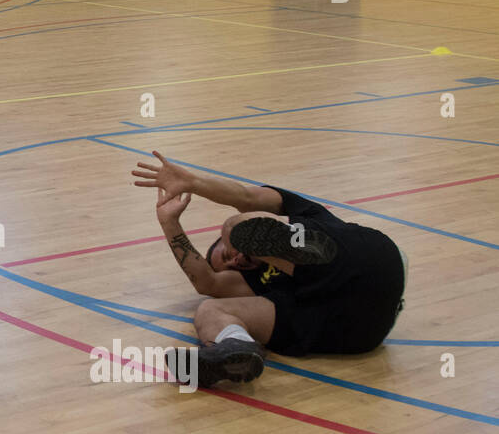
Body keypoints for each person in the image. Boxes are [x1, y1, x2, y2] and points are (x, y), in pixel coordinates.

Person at [132, 151, 406, 386]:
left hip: (367, 260)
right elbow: (208, 283)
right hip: (356, 328)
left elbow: (246, 197)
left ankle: (294, 245)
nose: (236, 261)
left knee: (237, 226)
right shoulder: (257, 283)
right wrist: (169, 223)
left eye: (228, 253)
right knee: (209, 310)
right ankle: (236, 346)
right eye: (231, 266)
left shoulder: (303, 211)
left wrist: (192, 182)